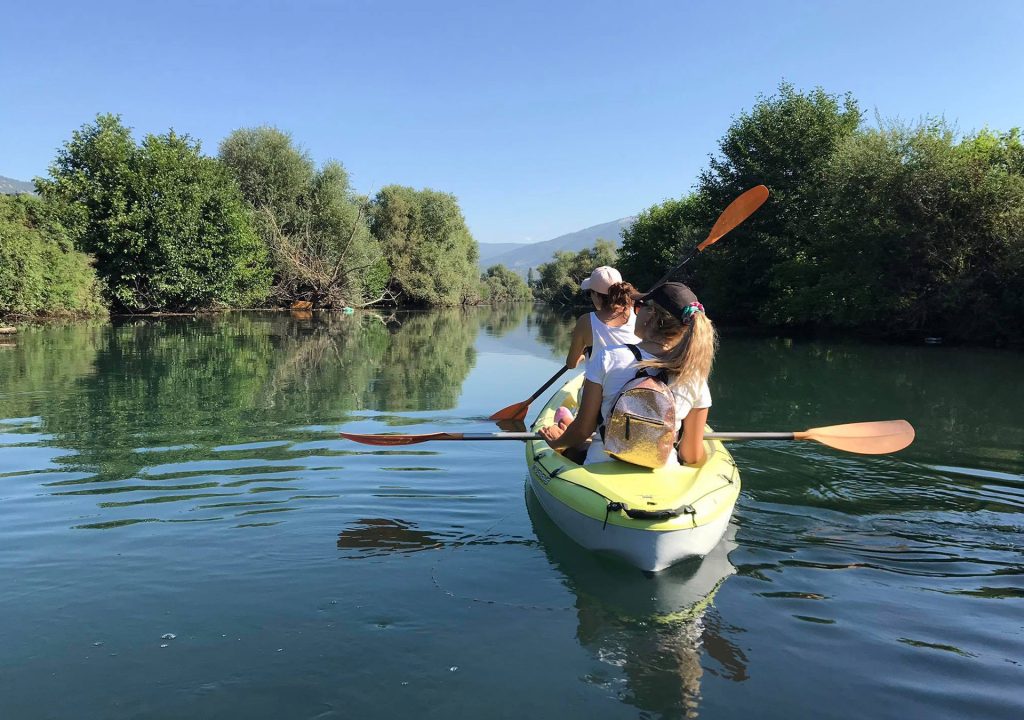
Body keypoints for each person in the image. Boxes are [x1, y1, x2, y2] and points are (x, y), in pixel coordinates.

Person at [540, 282, 717, 467]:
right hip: (664, 477)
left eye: (640, 307)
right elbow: (691, 455)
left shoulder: (608, 357)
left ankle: (565, 422)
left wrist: (556, 442)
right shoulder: (694, 374)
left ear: (652, 315)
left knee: (575, 447)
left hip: (600, 467)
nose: (635, 312)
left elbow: (583, 430)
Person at [564, 266, 640, 369]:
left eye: (589, 293)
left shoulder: (585, 321)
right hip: (633, 379)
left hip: (601, 383)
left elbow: (571, 364)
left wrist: (583, 356)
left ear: (596, 294)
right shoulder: (637, 312)